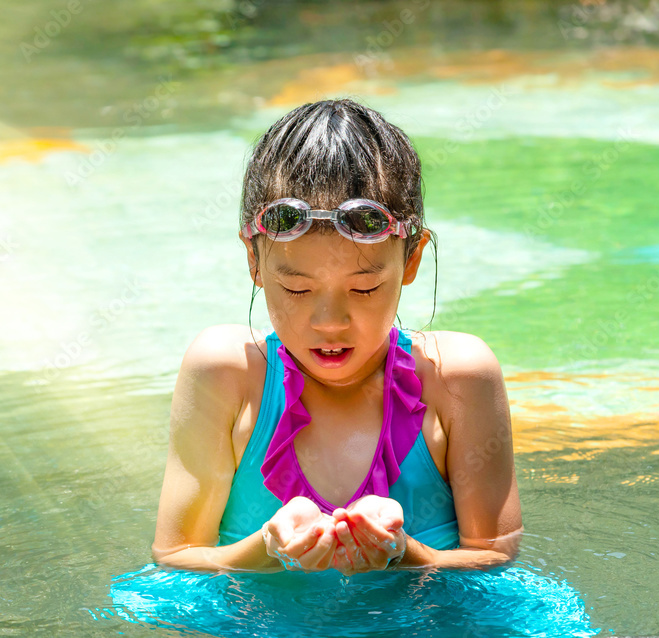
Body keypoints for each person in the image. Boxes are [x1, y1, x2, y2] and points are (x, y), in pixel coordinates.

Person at [150, 97, 523, 577]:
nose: (329, 322)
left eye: (364, 287)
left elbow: (495, 556)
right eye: (297, 288)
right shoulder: (226, 374)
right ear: (253, 261)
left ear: (410, 261)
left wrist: (406, 555)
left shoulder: (457, 378)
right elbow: (175, 560)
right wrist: (266, 549)